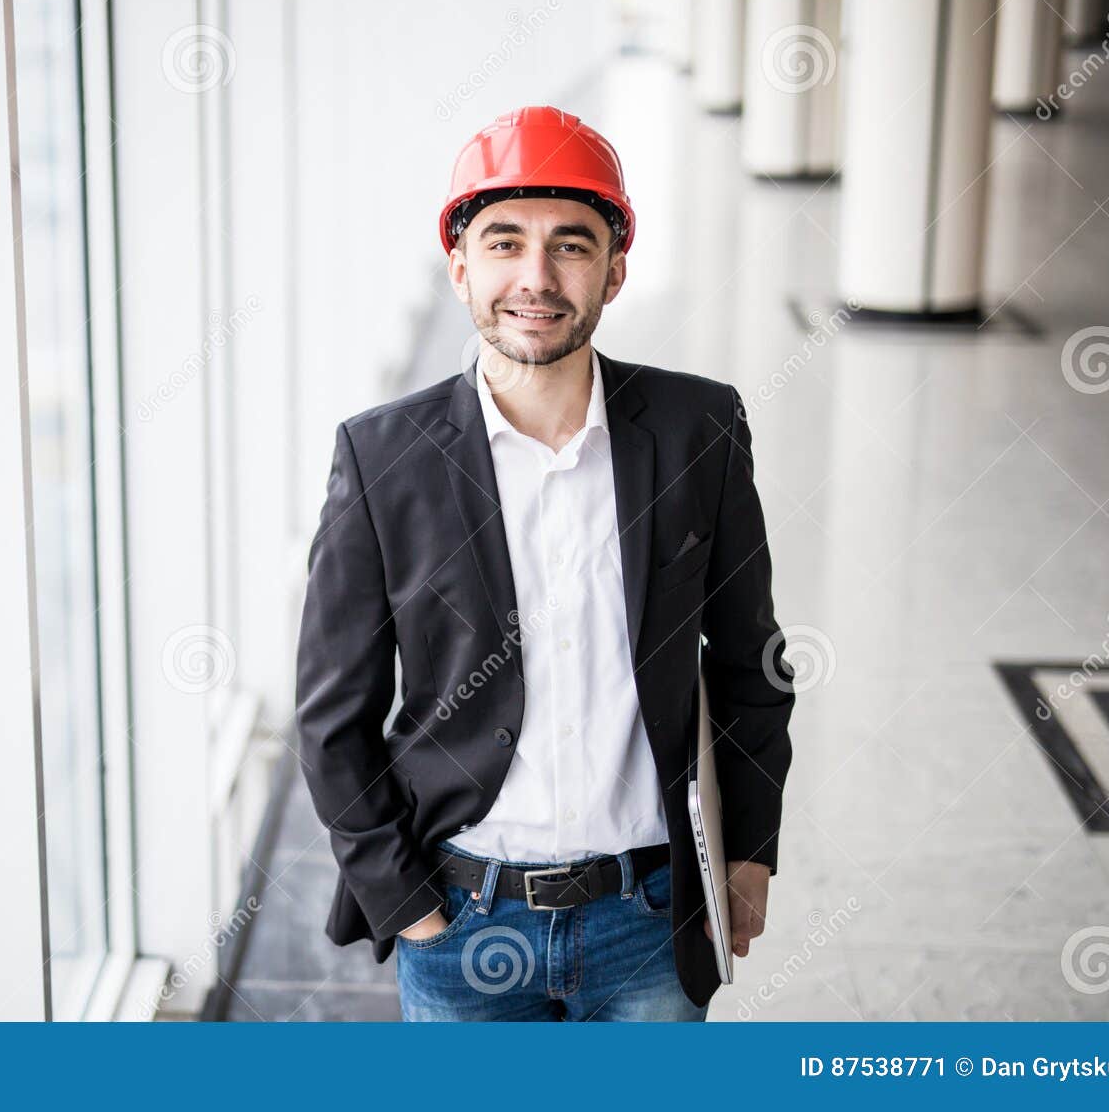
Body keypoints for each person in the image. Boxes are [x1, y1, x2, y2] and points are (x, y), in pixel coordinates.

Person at [294, 105, 795, 1021]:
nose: (536, 277)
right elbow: (334, 716)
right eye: (504, 243)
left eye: (571, 245)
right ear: (459, 266)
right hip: (462, 919)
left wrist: (751, 846)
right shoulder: (383, 457)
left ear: (615, 269)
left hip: (647, 916)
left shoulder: (698, 430)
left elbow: (750, 659)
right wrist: (408, 907)